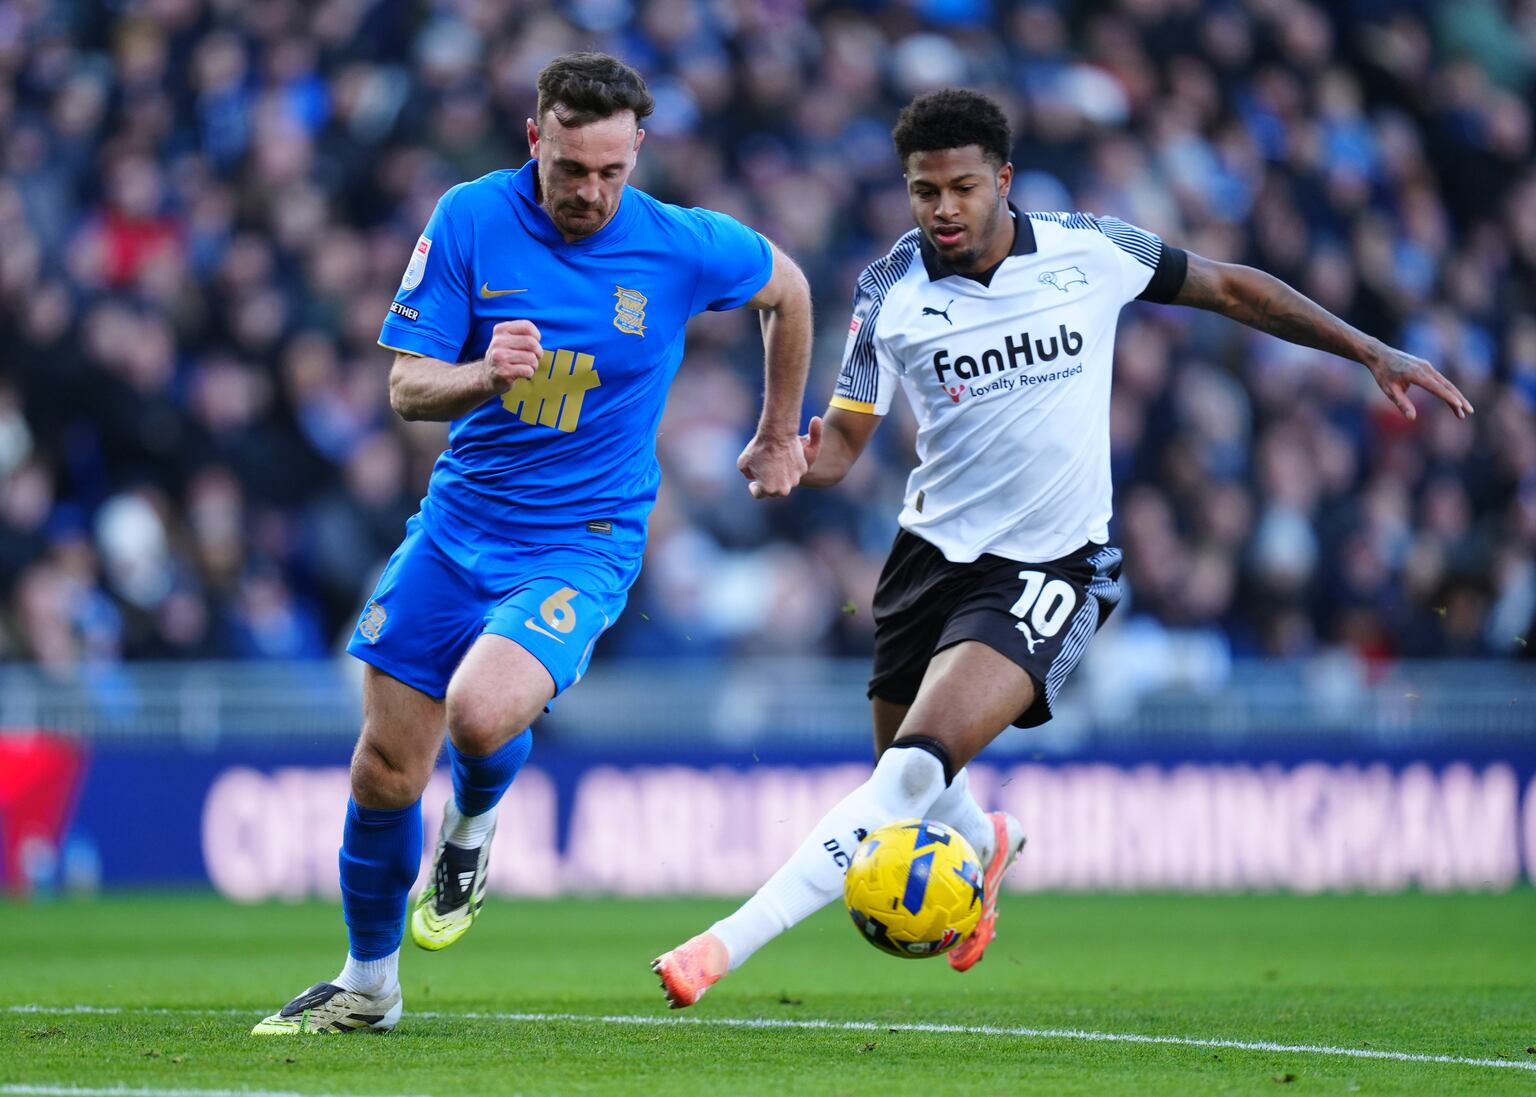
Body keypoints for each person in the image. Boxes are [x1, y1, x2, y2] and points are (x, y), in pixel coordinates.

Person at [652, 88, 1472, 1007]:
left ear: (1003, 180)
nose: (944, 210)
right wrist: (797, 457)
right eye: (925, 192)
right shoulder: (892, 291)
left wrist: (1368, 350)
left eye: (963, 187)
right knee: (915, 783)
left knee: (909, 771)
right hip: (927, 560)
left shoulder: (1093, 250)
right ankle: (987, 842)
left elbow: (1233, 287)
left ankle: (721, 946)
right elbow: (846, 441)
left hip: (1054, 565)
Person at [253, 52, 813, 1035]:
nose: (590, 193)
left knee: (479, 711)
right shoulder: (469, 217)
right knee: (383, 765)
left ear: (637, 150)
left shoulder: (681, 244)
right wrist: (480, 375)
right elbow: (403, 387)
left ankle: (470, 826)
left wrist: (776, 430)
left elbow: (791, 289)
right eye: (570, 171)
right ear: (535, 141)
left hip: (582, 542)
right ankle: (368, 985)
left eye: (610, 172)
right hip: (460, 525)